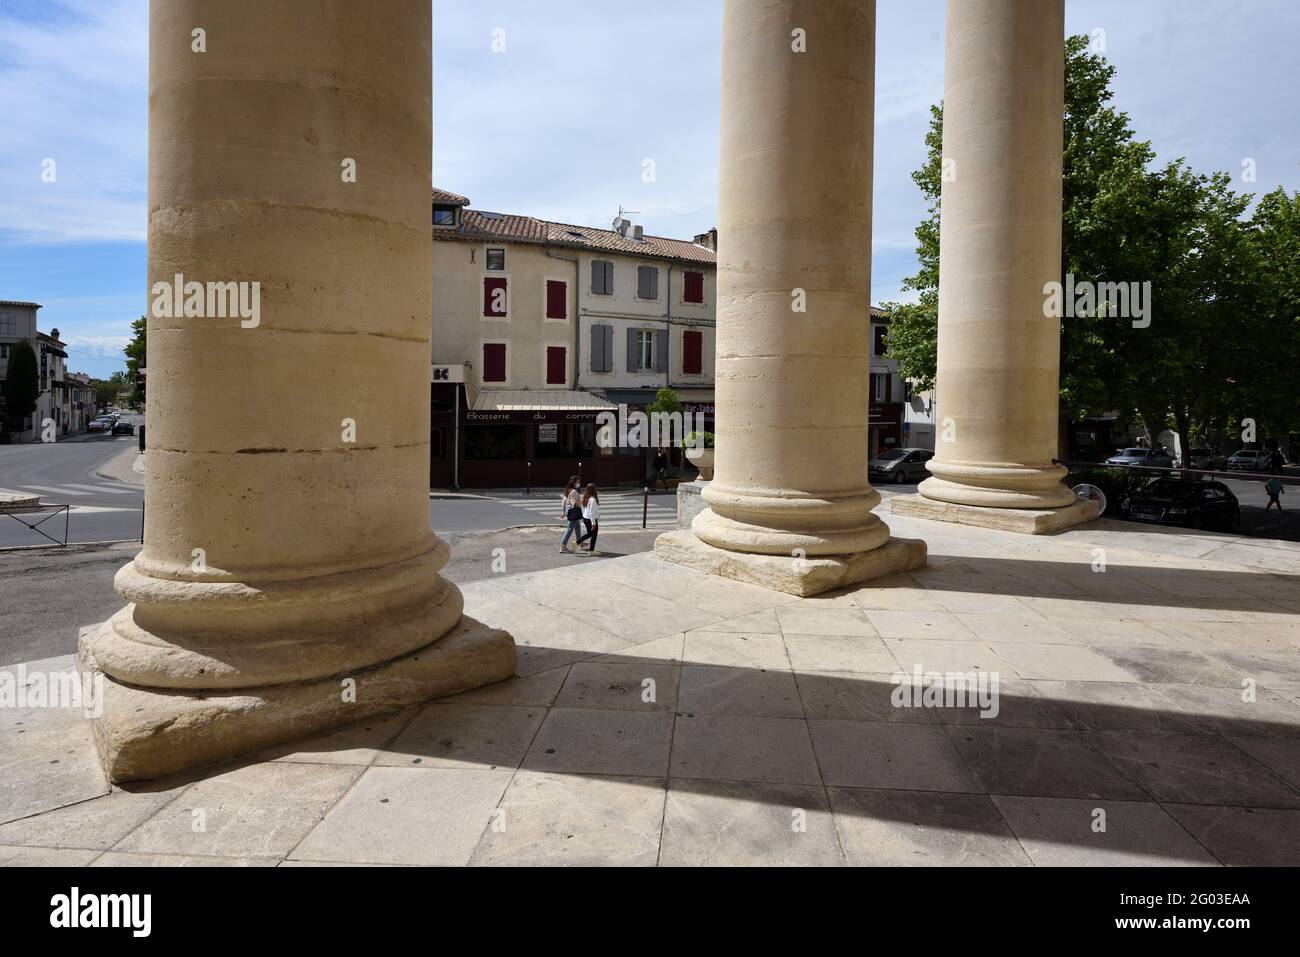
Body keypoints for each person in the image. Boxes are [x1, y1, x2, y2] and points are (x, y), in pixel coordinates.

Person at [559, 476, 583, 552]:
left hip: (569, 512)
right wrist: (581, 502)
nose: (579, 483)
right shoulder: (574, 492)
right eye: (577, 482)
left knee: (577, 527)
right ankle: (563, 547)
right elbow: (574, 503)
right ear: (574, 483)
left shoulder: (568, 490)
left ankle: (580, 543)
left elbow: (564, 501)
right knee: (569, 529)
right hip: (573, 512)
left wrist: (563, 511)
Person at [576, 483, 601, 554]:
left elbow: (583, 508)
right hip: (591, 519)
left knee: (590, 534)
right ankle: (591, 551)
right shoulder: (592, 499)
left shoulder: (585, 497)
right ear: (594, 490)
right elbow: (591, 512)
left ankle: (577, 543)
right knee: (594, 535)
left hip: (586, 518)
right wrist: (593, 523)